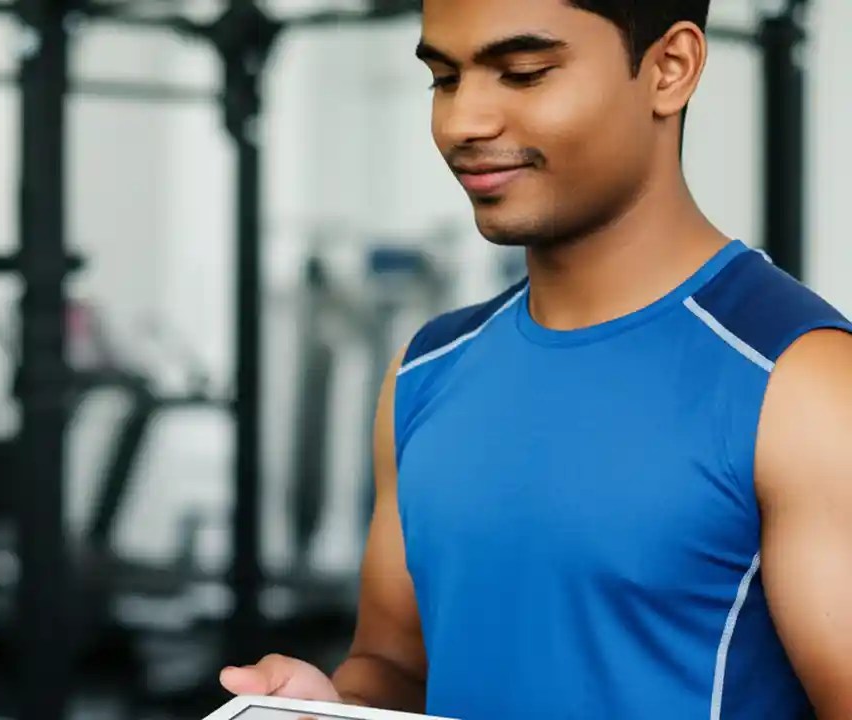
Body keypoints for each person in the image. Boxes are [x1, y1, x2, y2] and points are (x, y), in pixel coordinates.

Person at [220, 0, 852, 717]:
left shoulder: (804, 383)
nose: (464, 122)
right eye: (446, 79)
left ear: (670, 69)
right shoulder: (425, 370)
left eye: (522, 74)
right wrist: (324, 706)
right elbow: (393, 668)